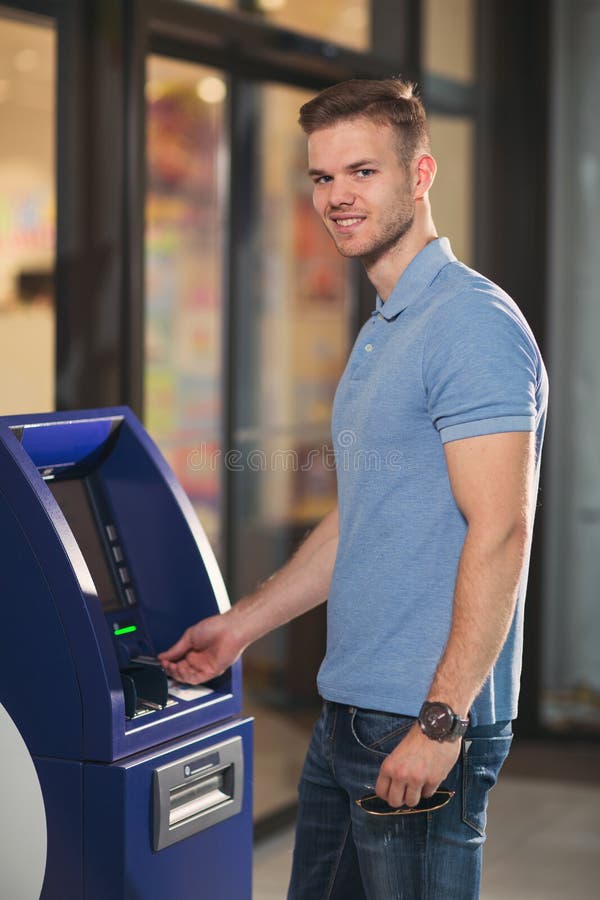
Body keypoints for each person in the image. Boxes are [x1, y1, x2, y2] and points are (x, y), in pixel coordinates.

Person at [159, 78, 548, 899]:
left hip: (419, 720)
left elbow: (503, 530)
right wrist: (240, 628)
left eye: (362, 173)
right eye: (322, 178)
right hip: (349, 714)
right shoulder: (384, 328)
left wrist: (441, 723)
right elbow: (362, 519)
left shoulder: (469, 323)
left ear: (420, 175)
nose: (337, 197)